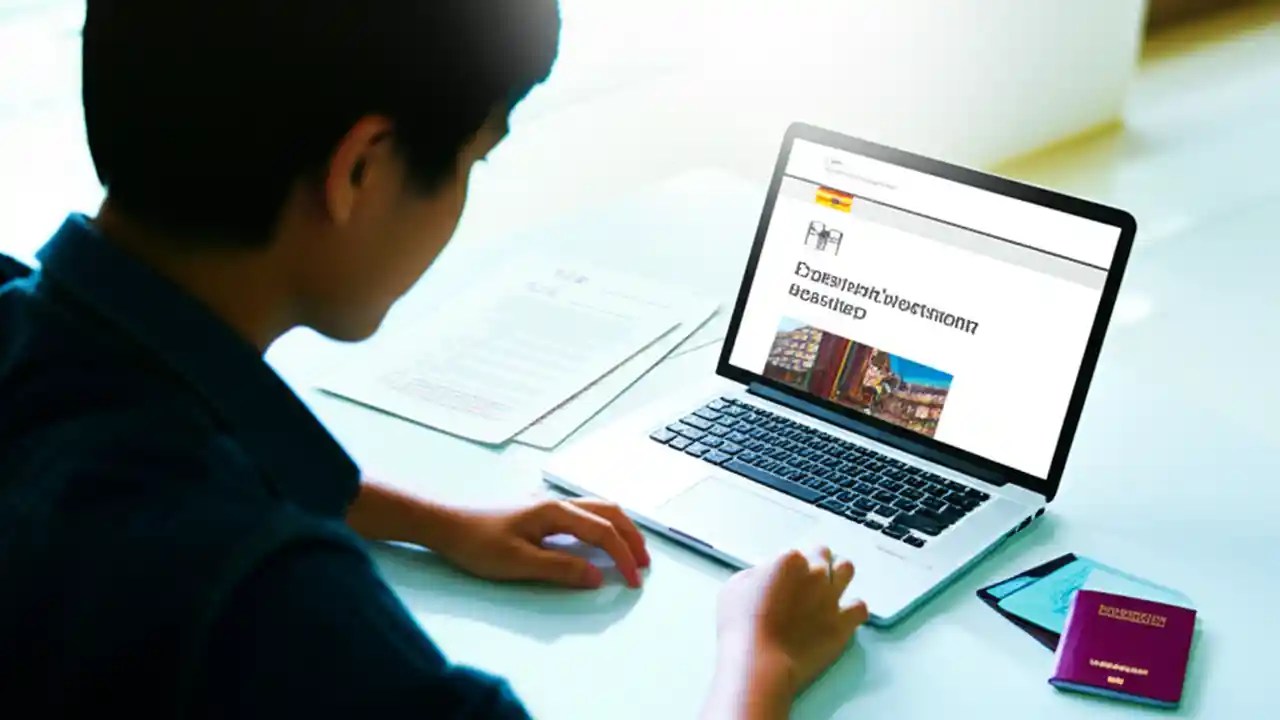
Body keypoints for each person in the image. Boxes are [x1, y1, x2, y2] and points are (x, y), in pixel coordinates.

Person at [0, 2, 870, 718]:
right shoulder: (285, 616)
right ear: (360, 171)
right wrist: (761, 660)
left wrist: (440, 520)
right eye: (471, 161)